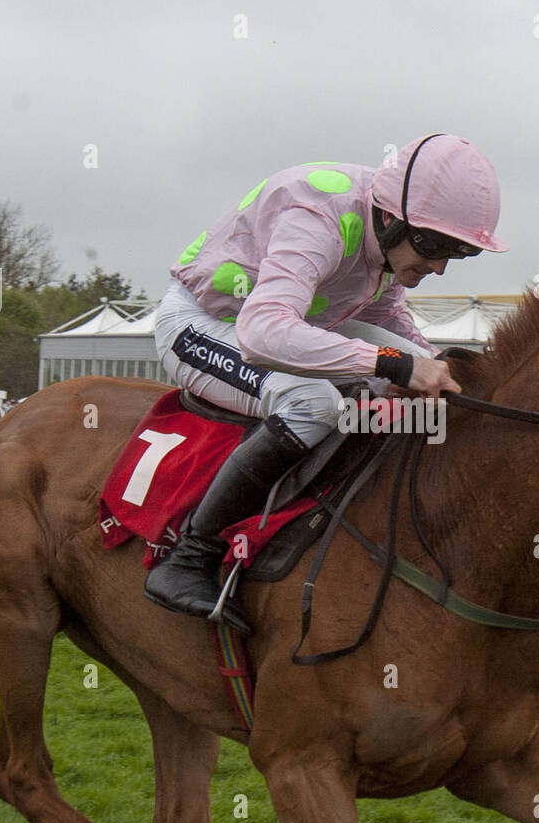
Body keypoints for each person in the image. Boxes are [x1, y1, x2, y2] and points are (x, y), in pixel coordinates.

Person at [145, 134, 507, 633]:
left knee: (425, 374)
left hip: (290, 323)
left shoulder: (385, 242)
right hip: (203, 323)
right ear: (389, 217)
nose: (440, 265)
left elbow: (387, 317)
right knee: (314, 403)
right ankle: (188, 557)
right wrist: (392, 367)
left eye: (459, 253)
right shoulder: (318, 216)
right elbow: (263, 330)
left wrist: (432, 363)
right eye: (435, 246)